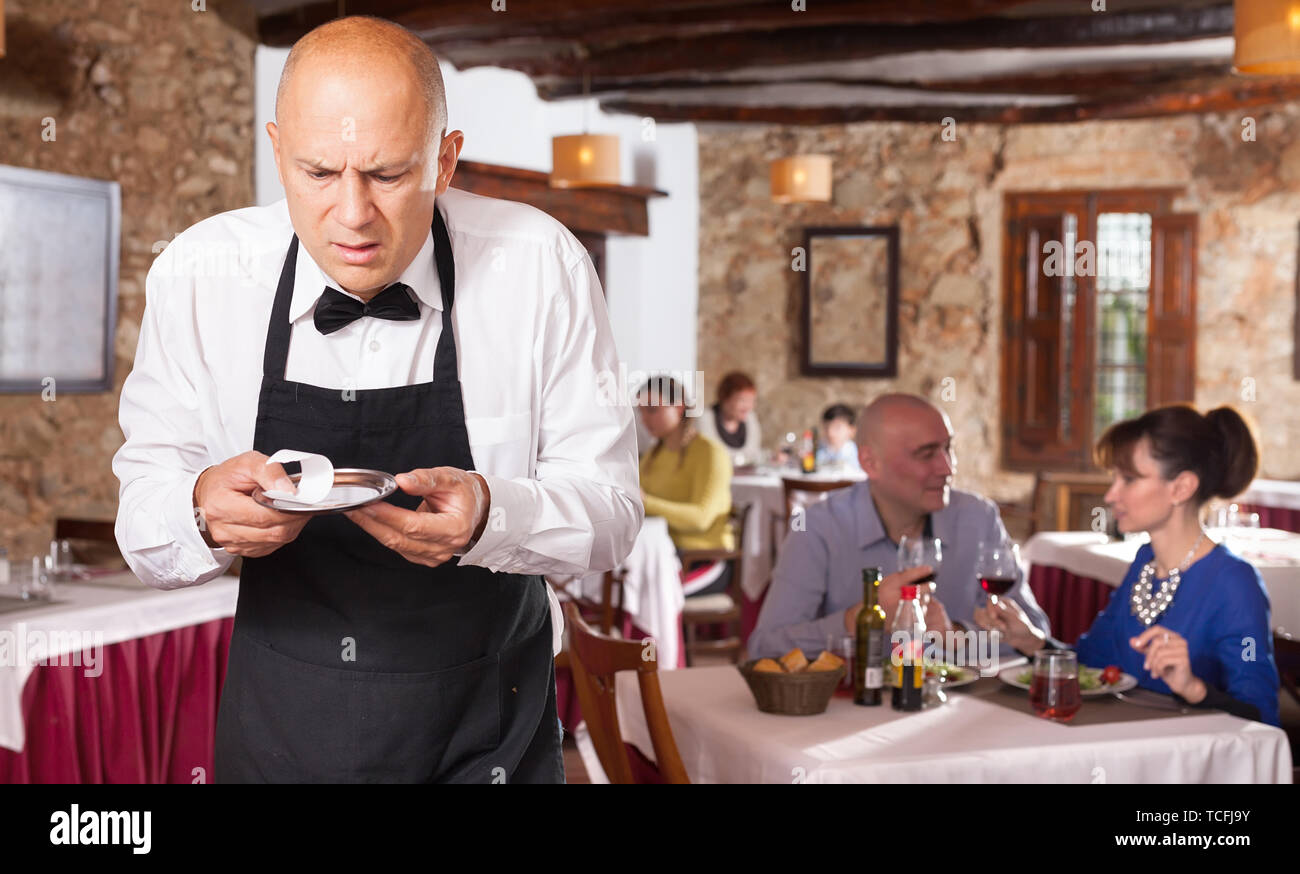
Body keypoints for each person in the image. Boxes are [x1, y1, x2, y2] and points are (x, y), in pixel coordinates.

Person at [111, 17, 642, 783]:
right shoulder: (200, 276)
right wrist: (198, 511)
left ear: (446, 160)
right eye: (318, 173)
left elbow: (614, 516)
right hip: (281, 735)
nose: (353, 214)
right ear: (275, 151)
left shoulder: (540, 266)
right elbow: (141, 524)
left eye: (389, 175)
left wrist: (494, 518)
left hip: (488, 731)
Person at [976, 405, 1280, 726]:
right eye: (1114, 479)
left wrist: (1194, 688)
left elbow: (1261, 717)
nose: (1110, 495)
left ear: (1181, 488)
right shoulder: (1145, 563)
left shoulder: (1235, 583)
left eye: (1129, 479)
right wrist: (1031, 640)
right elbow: (1092, 665)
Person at [748, 393, 1049, 659]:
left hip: (961, 711)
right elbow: (765, 648)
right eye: (927, 454)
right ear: (870, 462)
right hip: (851, 715)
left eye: (949, 449)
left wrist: (956, 636)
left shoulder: (978, 518)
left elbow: (1033, 636)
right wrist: (860, 620)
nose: (948, 468)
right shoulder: (819, 527)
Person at [638, 376, 735, 596]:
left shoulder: (710, 452)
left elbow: (701, 519)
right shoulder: (653, 454)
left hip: (703, 559)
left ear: (679, 407)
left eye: (652, 409)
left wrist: (644, 501)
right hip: (662, 556)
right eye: (641, 411)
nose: (644, 419)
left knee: (645, 596)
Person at [696, 371, 762, 466]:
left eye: (751, 401)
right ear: (724, 398)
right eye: (742, 400)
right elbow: (709, 456)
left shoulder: (751, 419)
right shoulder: (704, 419)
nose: (748, 407)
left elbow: (755, 455)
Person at [816, 403, 862, 472]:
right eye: (826, 427)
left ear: (852, 430)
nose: (830, 432)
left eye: (837, 427)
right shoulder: (818, 449)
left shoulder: (857, 455)